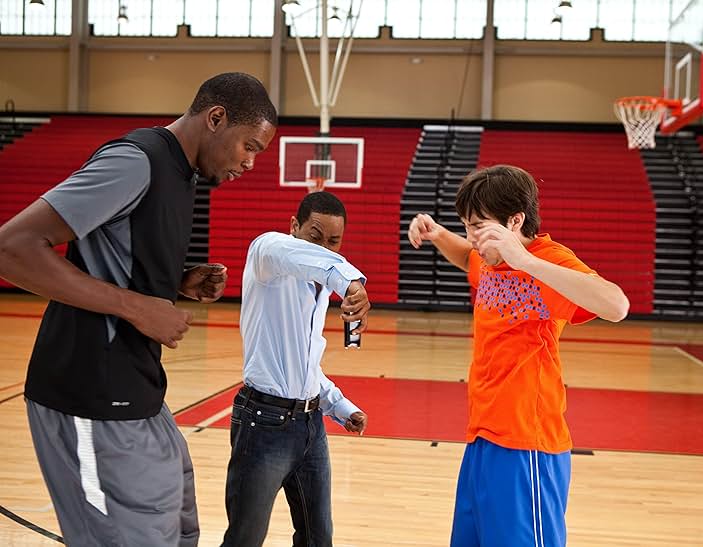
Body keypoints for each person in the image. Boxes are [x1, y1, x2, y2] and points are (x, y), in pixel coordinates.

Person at [0, 72, 278, 546]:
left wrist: (175, 282)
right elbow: (12, 247)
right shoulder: (136, 161)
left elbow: (113, 256)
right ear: (216, 118)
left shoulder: (182, 173)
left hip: (137, 391)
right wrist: (140, 307)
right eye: (250, 146)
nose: (251, 163)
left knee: (179, 530)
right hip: (87, 395)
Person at [407, 164, 630, 547]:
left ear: (515, 221)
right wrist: (438, 234)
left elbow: (616, 305)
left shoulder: (547, 260)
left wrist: (526, 261)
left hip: (528, 445)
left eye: (478, 225)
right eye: (466, 224)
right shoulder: (488, 255)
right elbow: (468, 258)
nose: (472, 237)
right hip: (483, 438)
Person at [221, 191, 370, 547]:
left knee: (319, 537)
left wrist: (339, 405)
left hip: (310, 425)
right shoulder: (268, 252)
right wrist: (349, 280)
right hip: (263, 422)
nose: (323, 247)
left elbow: (305, 364)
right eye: (314, 236)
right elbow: (299, 255)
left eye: (333, 241)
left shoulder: (320, 287)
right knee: (246, 538)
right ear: (294, 226)